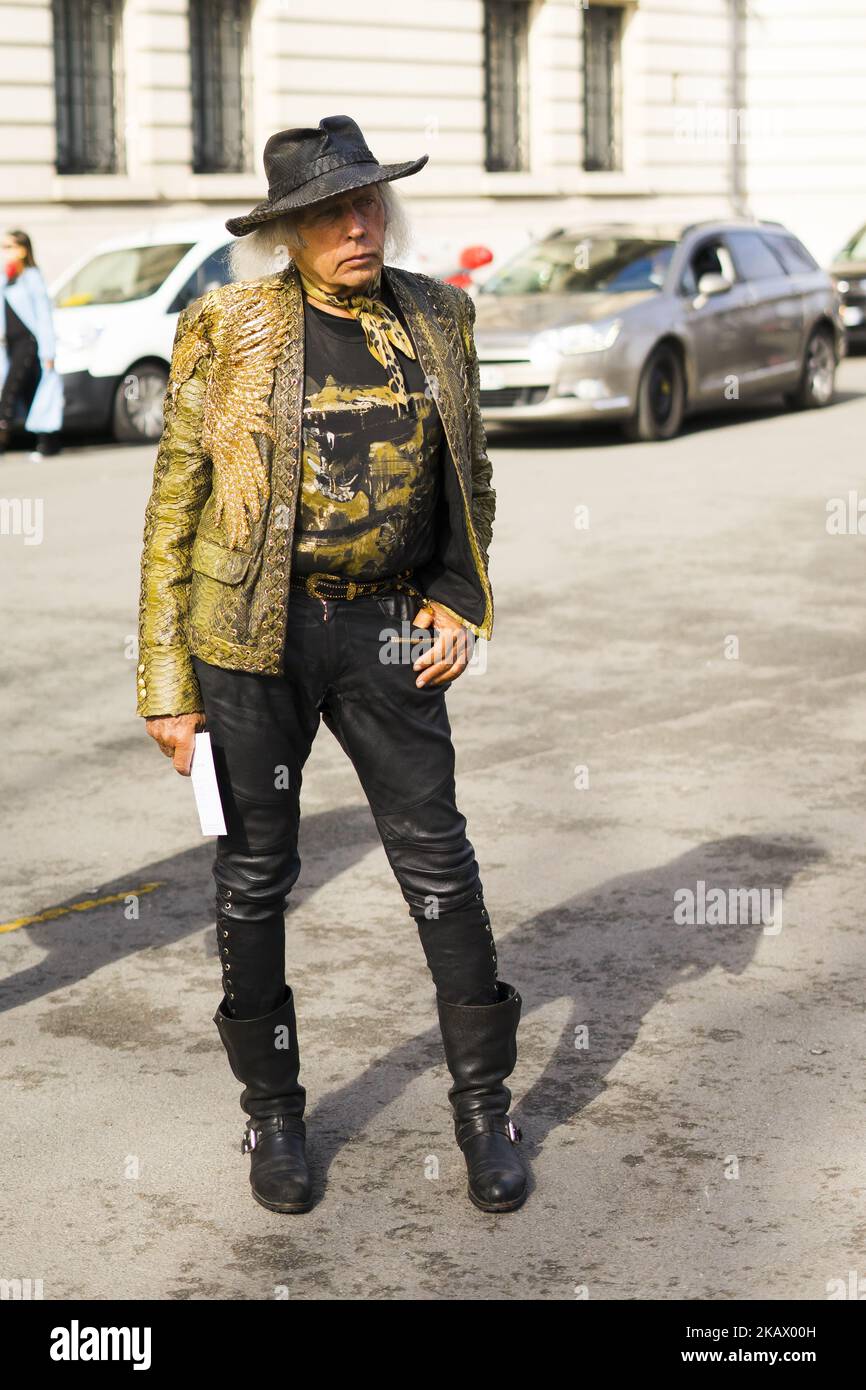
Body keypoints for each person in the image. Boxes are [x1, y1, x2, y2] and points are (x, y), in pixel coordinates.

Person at [136, 115, 527, 1215]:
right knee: (255, 876)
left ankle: (482, 1107)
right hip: (250, 637)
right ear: (289, 233)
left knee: (437, 861)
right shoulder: (228, 327)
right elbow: (176, 507)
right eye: (328, 212)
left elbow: (470, 479)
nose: (356, 225)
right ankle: (272, 1113)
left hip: (390, 626)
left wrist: (458, 600)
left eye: (367, 205)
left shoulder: (437, 316)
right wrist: (166, 685)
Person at [0, 230, 63, 460]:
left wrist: (48, 351)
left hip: (29, 343)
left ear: (23, 249)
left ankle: (7, 439)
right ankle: (48, 441)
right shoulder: (7, 278)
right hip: (11, 344)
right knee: (30, 392)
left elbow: (43, 315)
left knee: (11, 390)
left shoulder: (32, 277)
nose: (5, 252)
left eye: (9, 246)